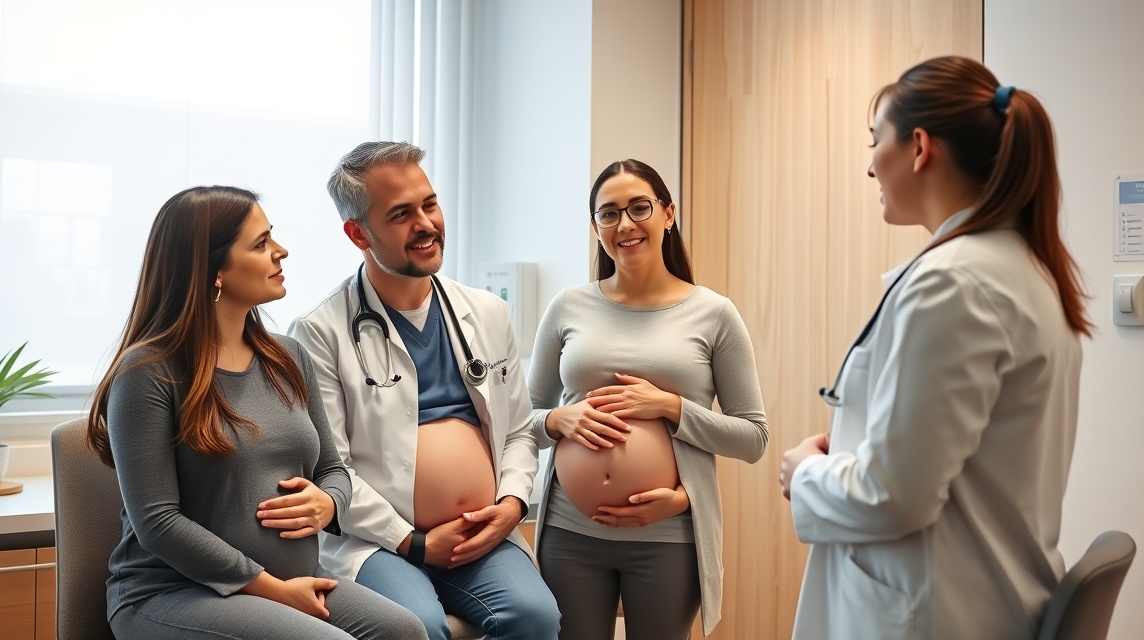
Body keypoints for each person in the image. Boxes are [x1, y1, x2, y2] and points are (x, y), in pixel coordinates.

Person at [778, 55, 1091, 639]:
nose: (870, 166)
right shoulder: (1018, 269)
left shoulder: (953, 283)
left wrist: (807, 473)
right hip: (979, 595)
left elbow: (894, 496)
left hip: (934, 616)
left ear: (919, 147)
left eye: (875, 141)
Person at [86, 186, 428, 640]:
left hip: (291, 580)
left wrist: (329, 502)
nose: (281, 251)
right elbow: (157, 524)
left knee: (405, 631)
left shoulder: (289, 356)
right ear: (213, 270)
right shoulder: (148, 372)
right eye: (261, 243)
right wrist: (272, 590)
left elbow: (333, 469)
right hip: (173, 592)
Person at [288, 141, 560, 640]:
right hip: (378, 541)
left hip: (482, 534)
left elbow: (519, 431)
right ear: (358, 233)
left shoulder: (486, 312)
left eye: (429, 204)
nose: (426, 224)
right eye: (401, 214)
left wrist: (512, 506)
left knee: (536, 616)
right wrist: (413, 542)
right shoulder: (318, 331)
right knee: (419, 628)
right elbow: (332, 468)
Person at [528, 159, 769, 640]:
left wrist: (670, 407)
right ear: (595, 227)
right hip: (570, 532)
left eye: (640, 208)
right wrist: (558, 420)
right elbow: (518, 423)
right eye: (609, 213)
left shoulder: (714, 314)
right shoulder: (567, 306)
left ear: (668, 214)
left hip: (669, 535)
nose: (625, 225)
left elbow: (753, 438)